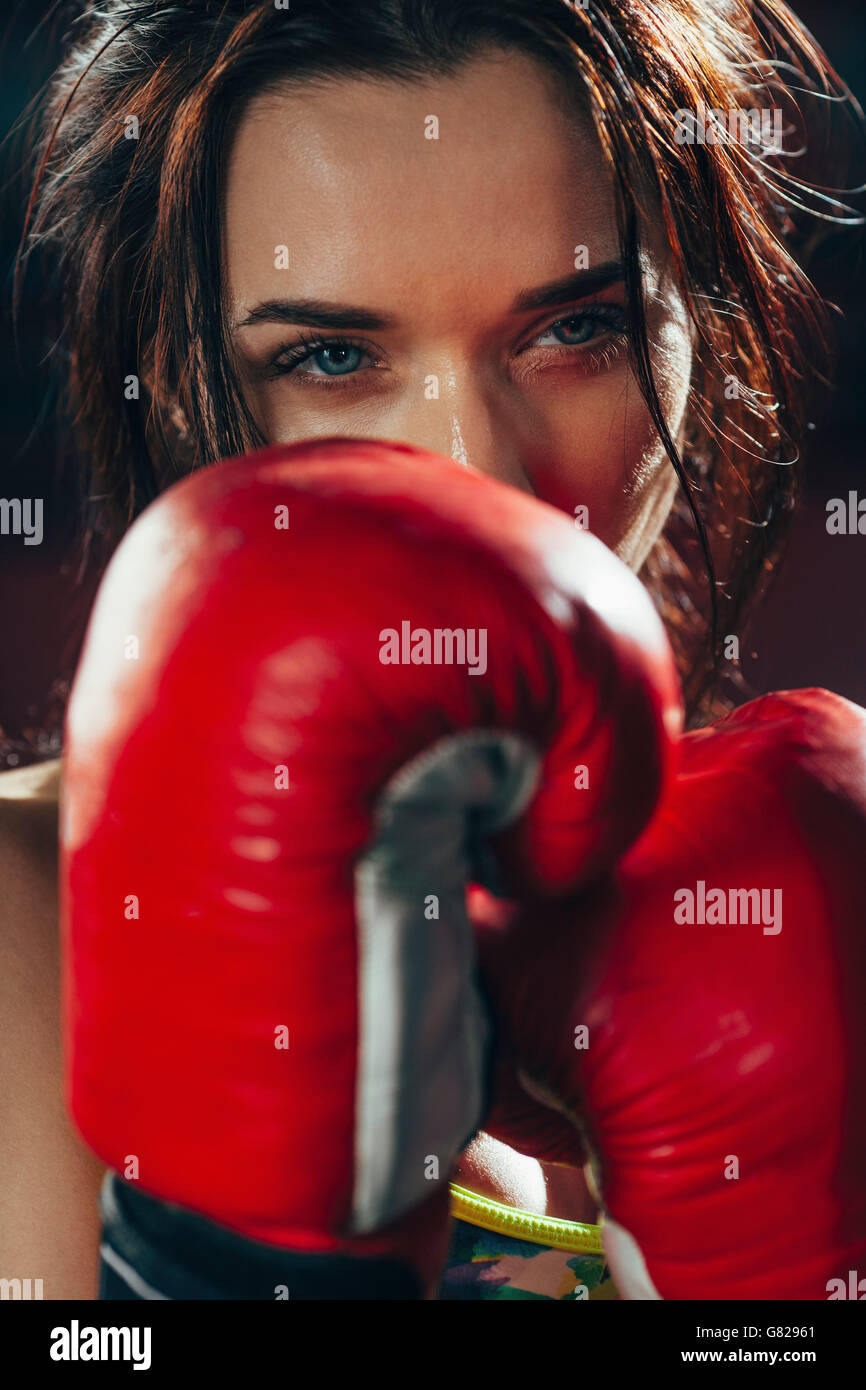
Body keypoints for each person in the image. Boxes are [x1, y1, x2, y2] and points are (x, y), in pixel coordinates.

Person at [1, 0, 858, 1299]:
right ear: (179, 376)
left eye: (576, 328)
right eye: (330, 355)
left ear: (698, 324)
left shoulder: (804, 888)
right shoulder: (30, 936)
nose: (478, 469)